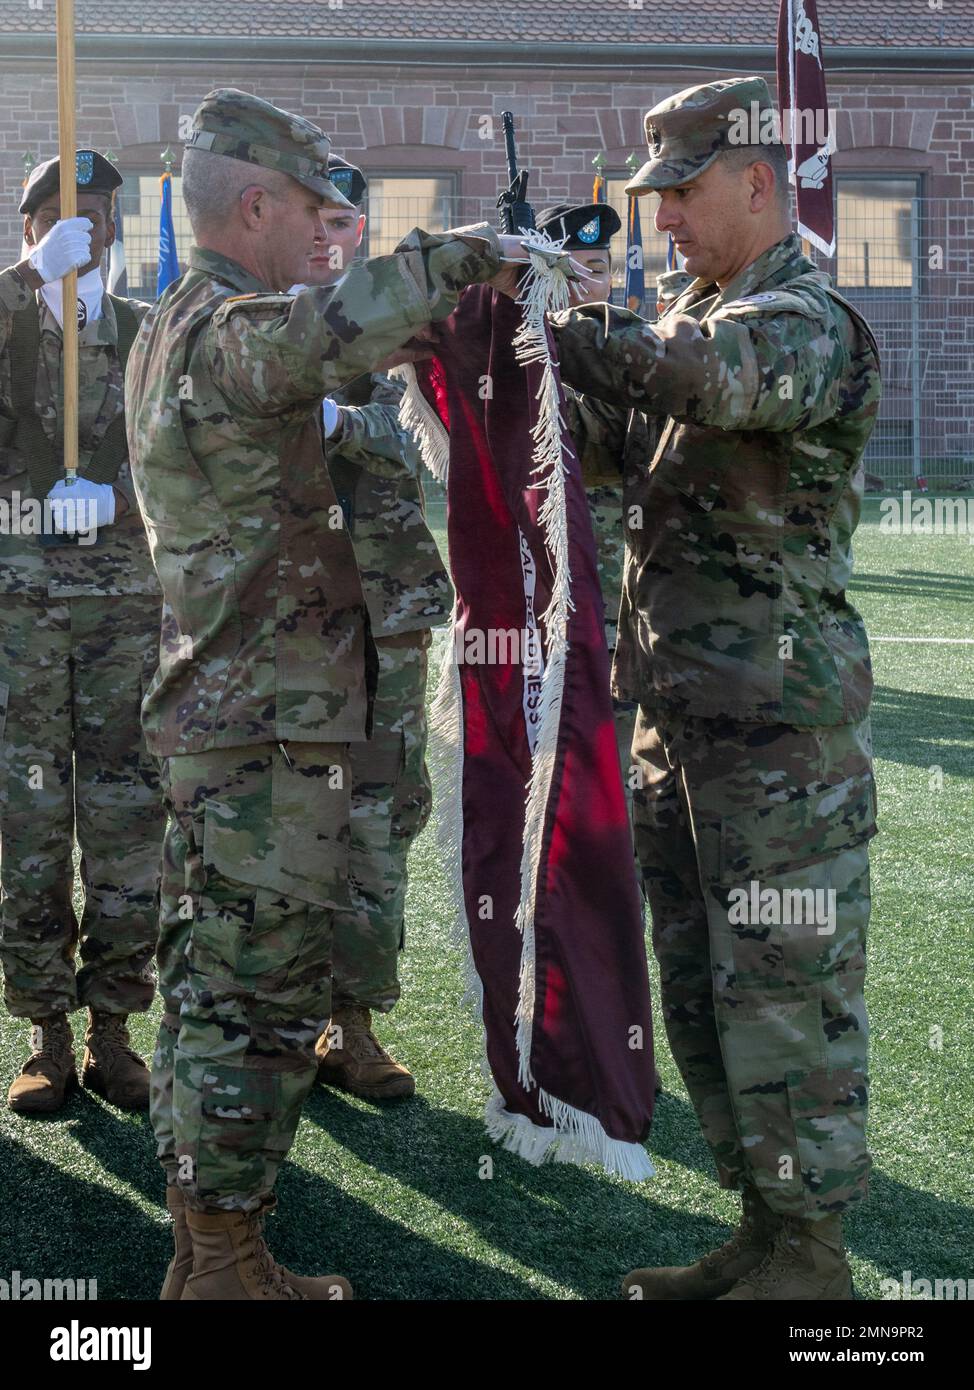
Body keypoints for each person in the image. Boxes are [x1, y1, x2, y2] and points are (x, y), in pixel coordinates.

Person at [126, 88, 511, 1300]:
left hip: (241, 723)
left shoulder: (181, 322)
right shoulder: (224, 329)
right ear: (255, 206)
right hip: (264, 739)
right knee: (254, 1000)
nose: (326, 232)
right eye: (313, 210)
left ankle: (206, 1251)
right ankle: (227, 1261)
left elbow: (326, 343)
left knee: (209, 986)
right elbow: (324, 331)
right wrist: (468, 257)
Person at [547, 76, 882, 1301]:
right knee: (697, 992)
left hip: (778, 744)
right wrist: (531, 353)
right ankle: (759, 1230)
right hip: (679, 728)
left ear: (755, 179)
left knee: (784, 1002)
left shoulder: (803, 318)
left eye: (681, 192)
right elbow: (602, 441)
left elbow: (701, 378)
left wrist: (570, 325)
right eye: (653, 199)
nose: (663, 219)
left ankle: (812, 1256)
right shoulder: (686, 312)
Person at [0, 150, 163, 1116]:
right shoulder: (9, 320)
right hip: (17, 614)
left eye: (99, 215)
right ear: (30, 229)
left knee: (124, 815)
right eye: (62, 219)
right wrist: (21, 284)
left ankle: (113, 1028)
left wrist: (116, 496)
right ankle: (45, 1031)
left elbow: (187, 453)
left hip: (124, 616)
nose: (85, 229)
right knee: (25, 821)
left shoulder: (142, 335)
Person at [289, 156, 450, 1101]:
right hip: (290, 619)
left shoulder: (400, 327)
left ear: (360, 229)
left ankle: (354, 1025)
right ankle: (280, 1020)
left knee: (379, 821)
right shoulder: (258, 323)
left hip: (387, 611)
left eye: (346, 219)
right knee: (290, 822)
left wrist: (338, 421)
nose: (330, 233)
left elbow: (426, 438)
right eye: (317, 216)